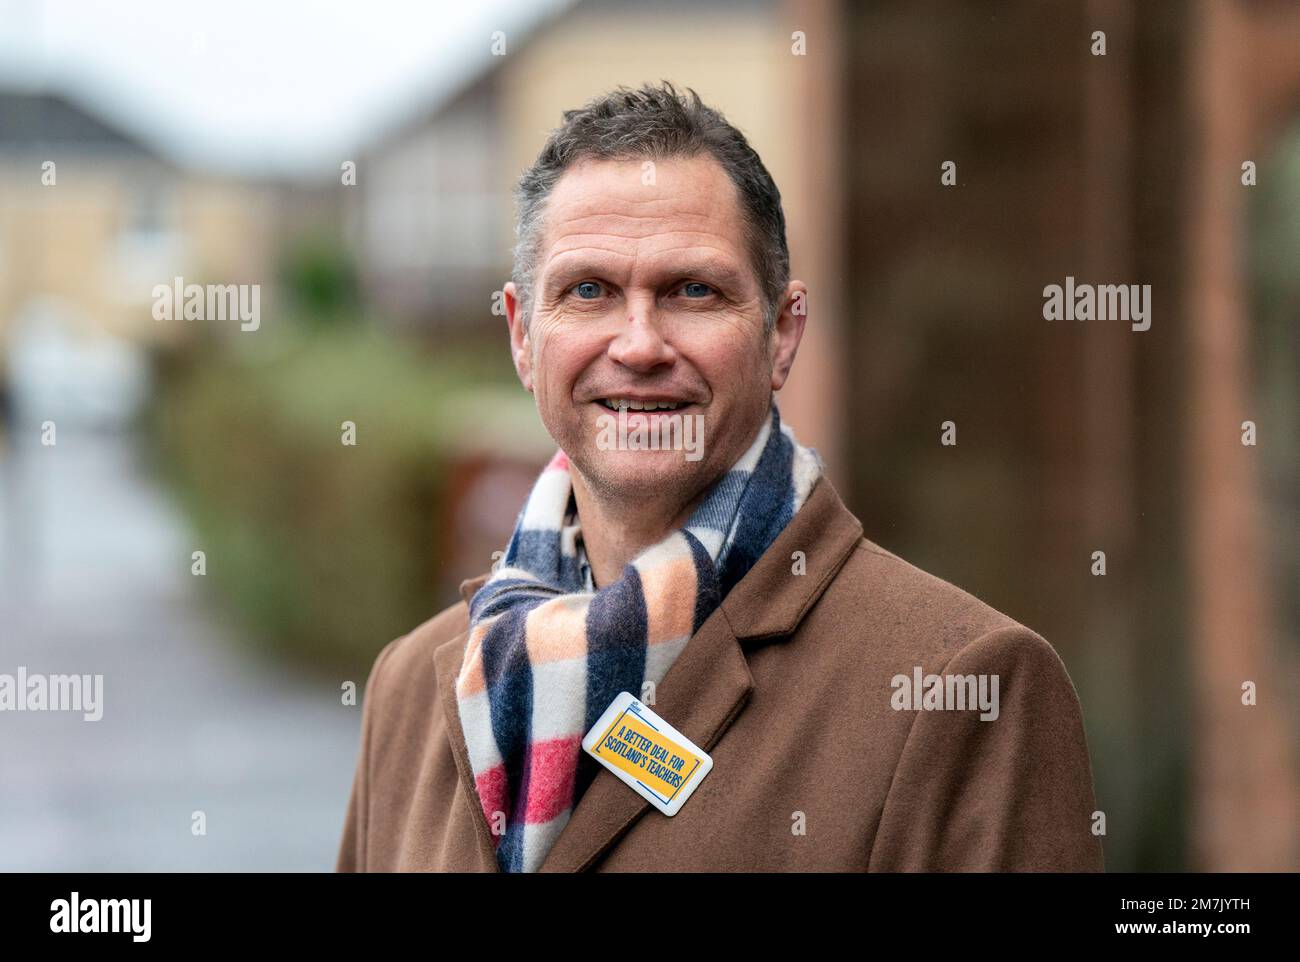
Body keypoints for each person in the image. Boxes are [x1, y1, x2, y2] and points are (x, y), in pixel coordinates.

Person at [336, 82, 1104, 873]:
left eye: (693, 291)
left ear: (781, 332)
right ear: (523, 337)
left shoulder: (963, 685)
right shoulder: (407, 691)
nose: (638, 345)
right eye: (589, 291)